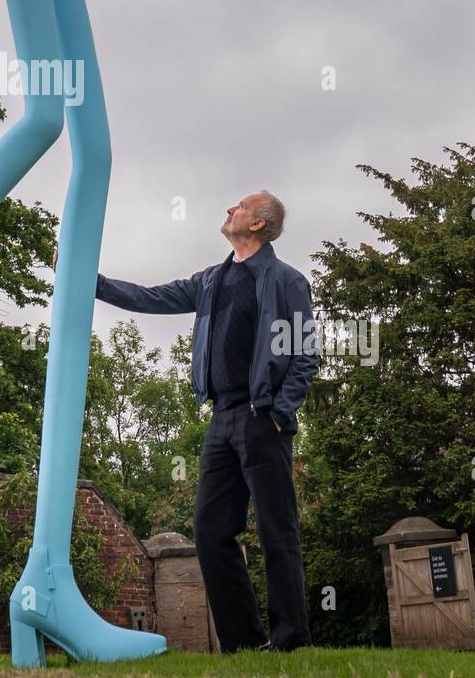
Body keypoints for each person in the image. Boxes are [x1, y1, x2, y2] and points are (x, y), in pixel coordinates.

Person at [84, 191, 320, 652]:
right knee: (211, 533)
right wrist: (93, 283)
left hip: (262, 419)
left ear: (258, 224)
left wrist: (279, 411)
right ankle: (244, 644)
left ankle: (290, 641)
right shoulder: (211, 280)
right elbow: (152, 297)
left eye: (240, 206)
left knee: (277, 532)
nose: (229, 208)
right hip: (221, 420)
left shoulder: (286, 281)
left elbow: (306, 354)